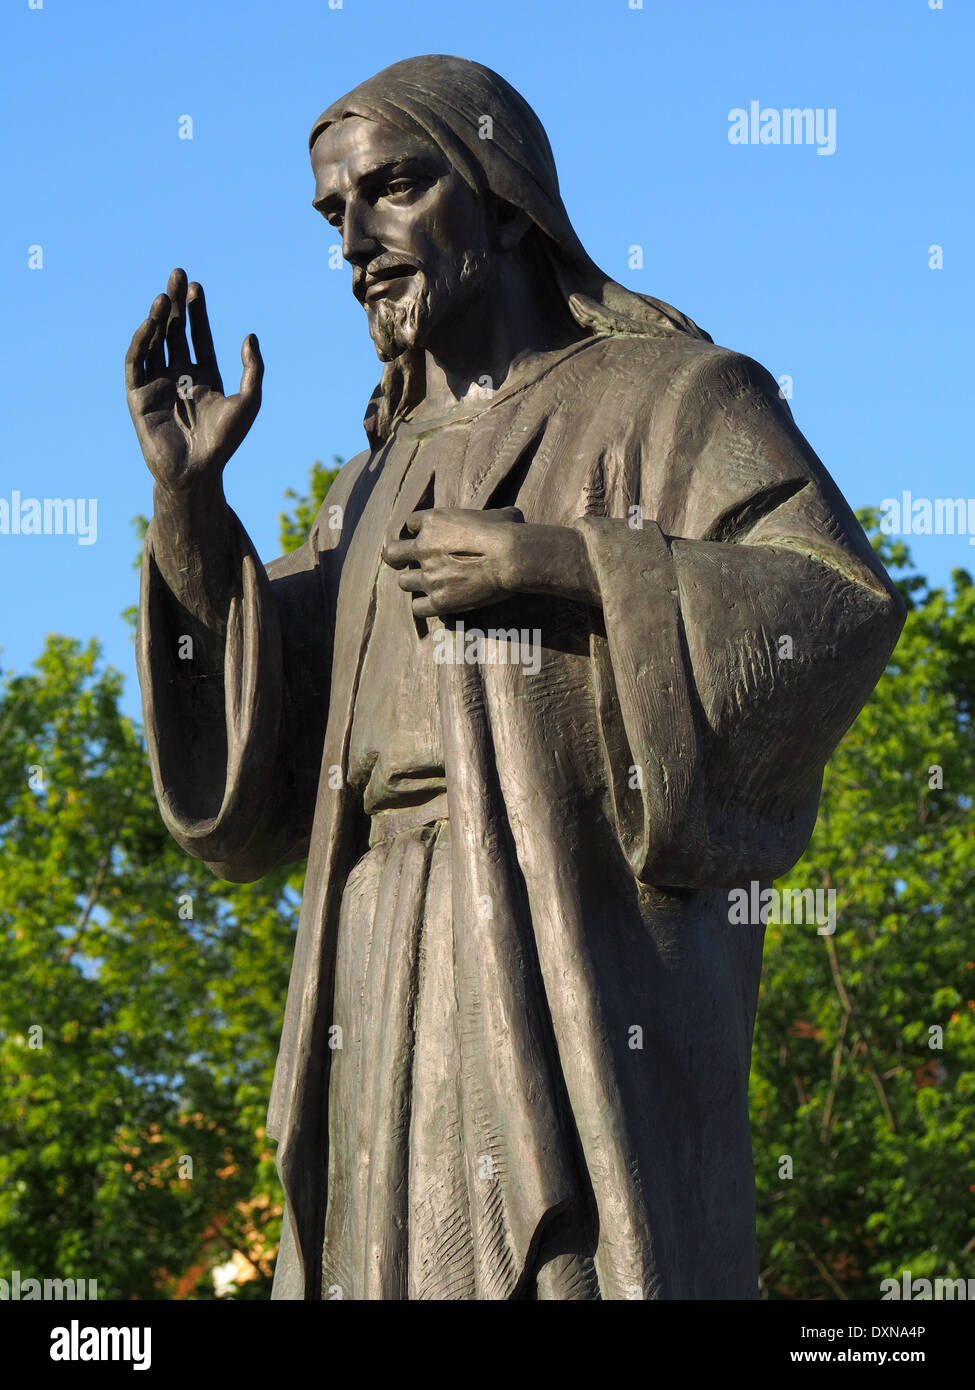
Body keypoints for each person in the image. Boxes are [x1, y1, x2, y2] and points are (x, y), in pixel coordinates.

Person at [127, 55, 904, 1300]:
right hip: (377, 944)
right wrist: (189, 511)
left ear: (498, 190)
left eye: (392, 188)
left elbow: (834, 602)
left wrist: (564, 564)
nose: (358, 242)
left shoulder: (673, 398)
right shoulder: (371, 477)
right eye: (335, 214)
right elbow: (263, 757)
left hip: (560, 947)